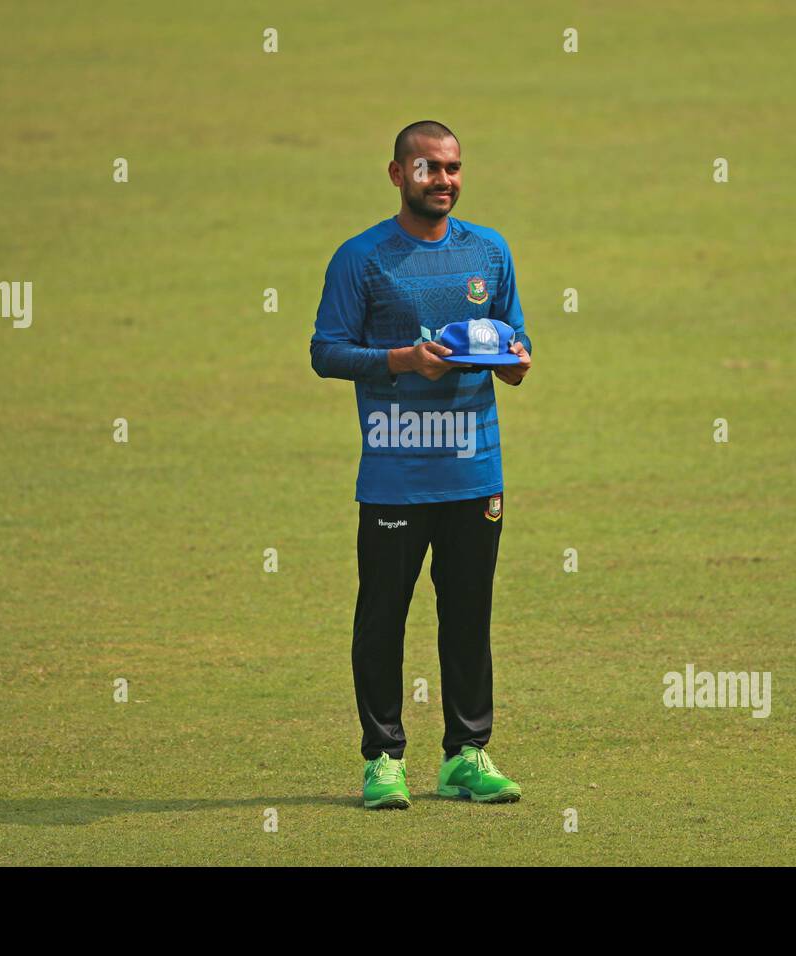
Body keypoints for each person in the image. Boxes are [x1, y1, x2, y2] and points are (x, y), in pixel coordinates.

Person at [310, 120, 533, 809]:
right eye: (429, 168)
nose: (444, 181)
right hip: (396, 474)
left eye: (454, 168)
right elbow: (326, 351)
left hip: (475, 470)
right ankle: (382, 758)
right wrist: (401, 360)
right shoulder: (362, 258)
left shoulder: (489, 252)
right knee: (383, 617)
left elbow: (515, 339)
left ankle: (467, 755)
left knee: (469, 615)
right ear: (396, 174)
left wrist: (518, 360)